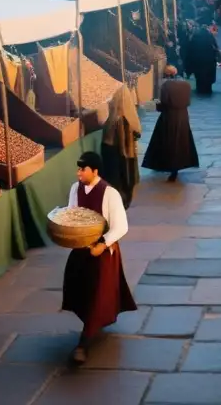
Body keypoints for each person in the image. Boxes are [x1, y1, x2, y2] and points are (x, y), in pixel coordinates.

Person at [62, 151, 137, 364]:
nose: (78, 173)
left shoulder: (110, 193)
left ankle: (83, 344)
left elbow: (121, 226)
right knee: (79, 289)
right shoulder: (75, 189)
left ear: (94, 171)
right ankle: (94, 320)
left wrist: (102, 244)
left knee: (98, 292)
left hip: (102, 252)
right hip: (82, 249)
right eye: (78, 169)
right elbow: (72, 214)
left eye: (82, 169)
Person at [143, 74, 199, 181]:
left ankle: (164, 165)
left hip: (168, 117)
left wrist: (155, 106)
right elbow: (188, 102)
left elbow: (163, 103)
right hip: (183, 117)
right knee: (180, 142)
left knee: (166, 142)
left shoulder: (166, 86)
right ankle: (177, 166)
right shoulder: (186, 85)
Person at [99, 87, 143, 208]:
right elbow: (137, 130)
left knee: (114, 178)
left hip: (112, 149)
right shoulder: (126, 116)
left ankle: (116, 204)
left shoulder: (114, 119)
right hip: (122, 151)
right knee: (123, 178)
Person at [188, 24, 221, 95]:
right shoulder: (210, 36)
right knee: (208, 76)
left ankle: (199, 89)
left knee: (199, 76)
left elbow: (190, 48)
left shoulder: (195, 36)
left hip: (198, 60)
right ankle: (208, 90)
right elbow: (215, 47)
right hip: (209, 60)